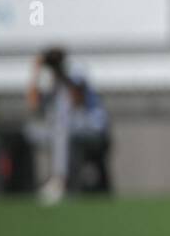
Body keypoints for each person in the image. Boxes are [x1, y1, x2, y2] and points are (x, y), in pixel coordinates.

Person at [25, 48, 111, 203]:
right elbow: (33, 104)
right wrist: (36, 70)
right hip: (64, 129)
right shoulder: (50, 81)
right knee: (30, 131)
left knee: (61, 130)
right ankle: (28, 185)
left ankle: (59, 180)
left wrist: (61, 74)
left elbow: (77, 100)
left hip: (90, 125)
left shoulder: (74, 71)